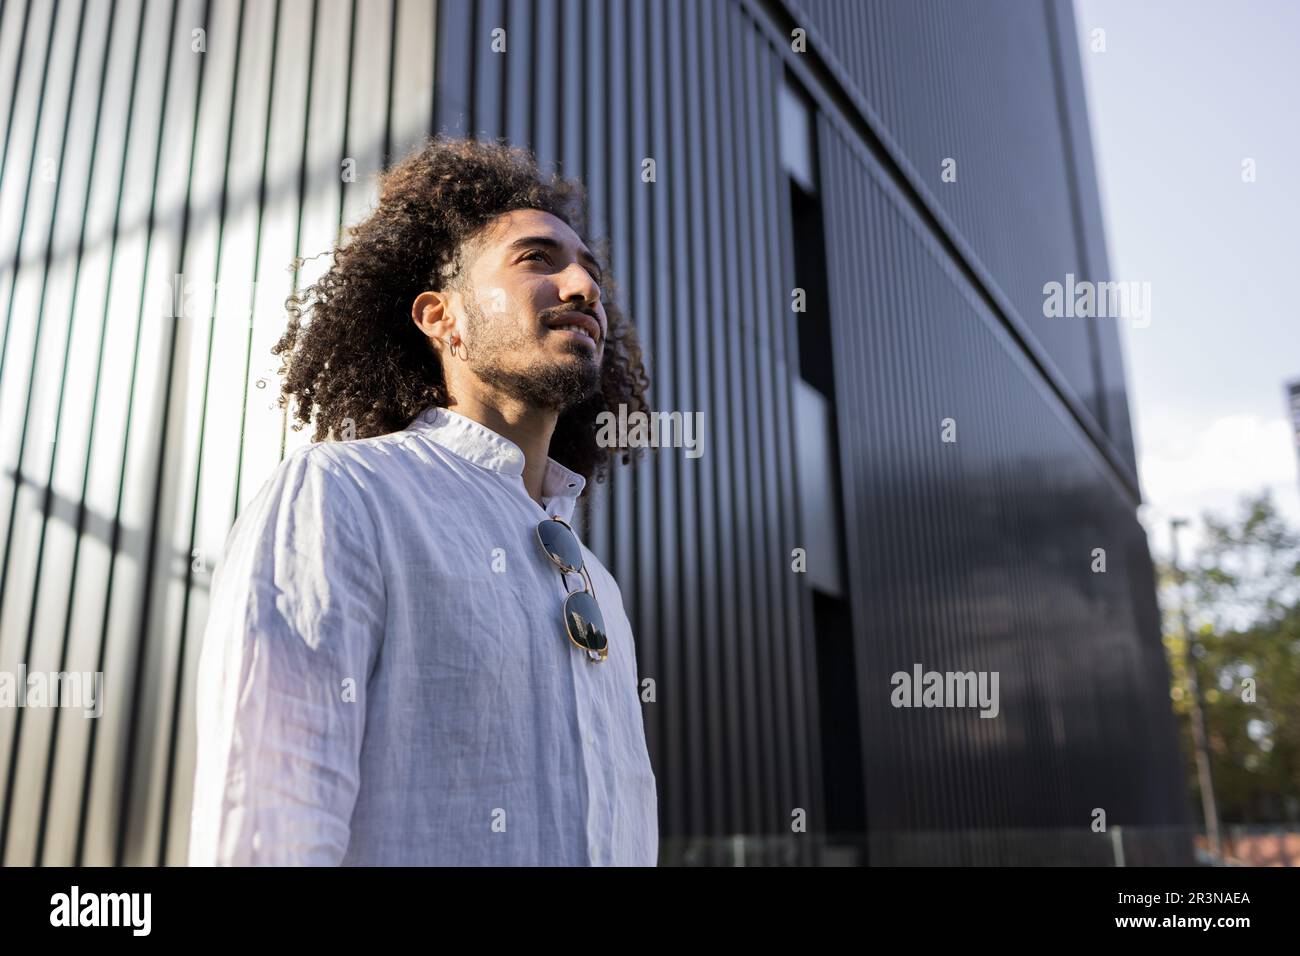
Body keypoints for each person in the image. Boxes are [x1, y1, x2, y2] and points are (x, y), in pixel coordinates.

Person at [187, 136, 657, 866]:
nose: (583, 287)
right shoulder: (343, 497)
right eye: (538, 259)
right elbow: (266, 825)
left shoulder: (600, 588)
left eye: (589, 272)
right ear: (443, 318)